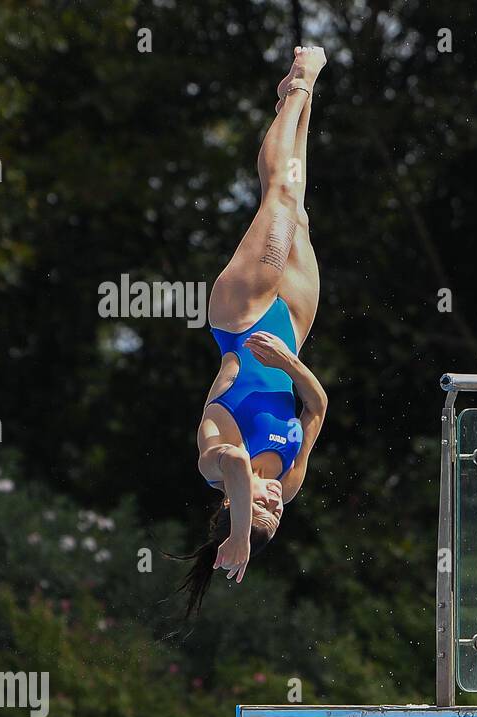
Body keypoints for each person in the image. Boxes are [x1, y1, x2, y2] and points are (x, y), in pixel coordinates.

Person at [173, 46, 329, 616]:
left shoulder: (215, 462)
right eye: (274, 514)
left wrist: (239, 535)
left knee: (279, 195)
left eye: (261, 507)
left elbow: (239, 467)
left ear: (234, 507)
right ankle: (299, 97)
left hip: (239, 316)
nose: (274, 503)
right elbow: (317, 407)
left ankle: (299, 85)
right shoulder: (288, 481)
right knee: (297, 203)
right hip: (291, 326)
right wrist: (290, 365)